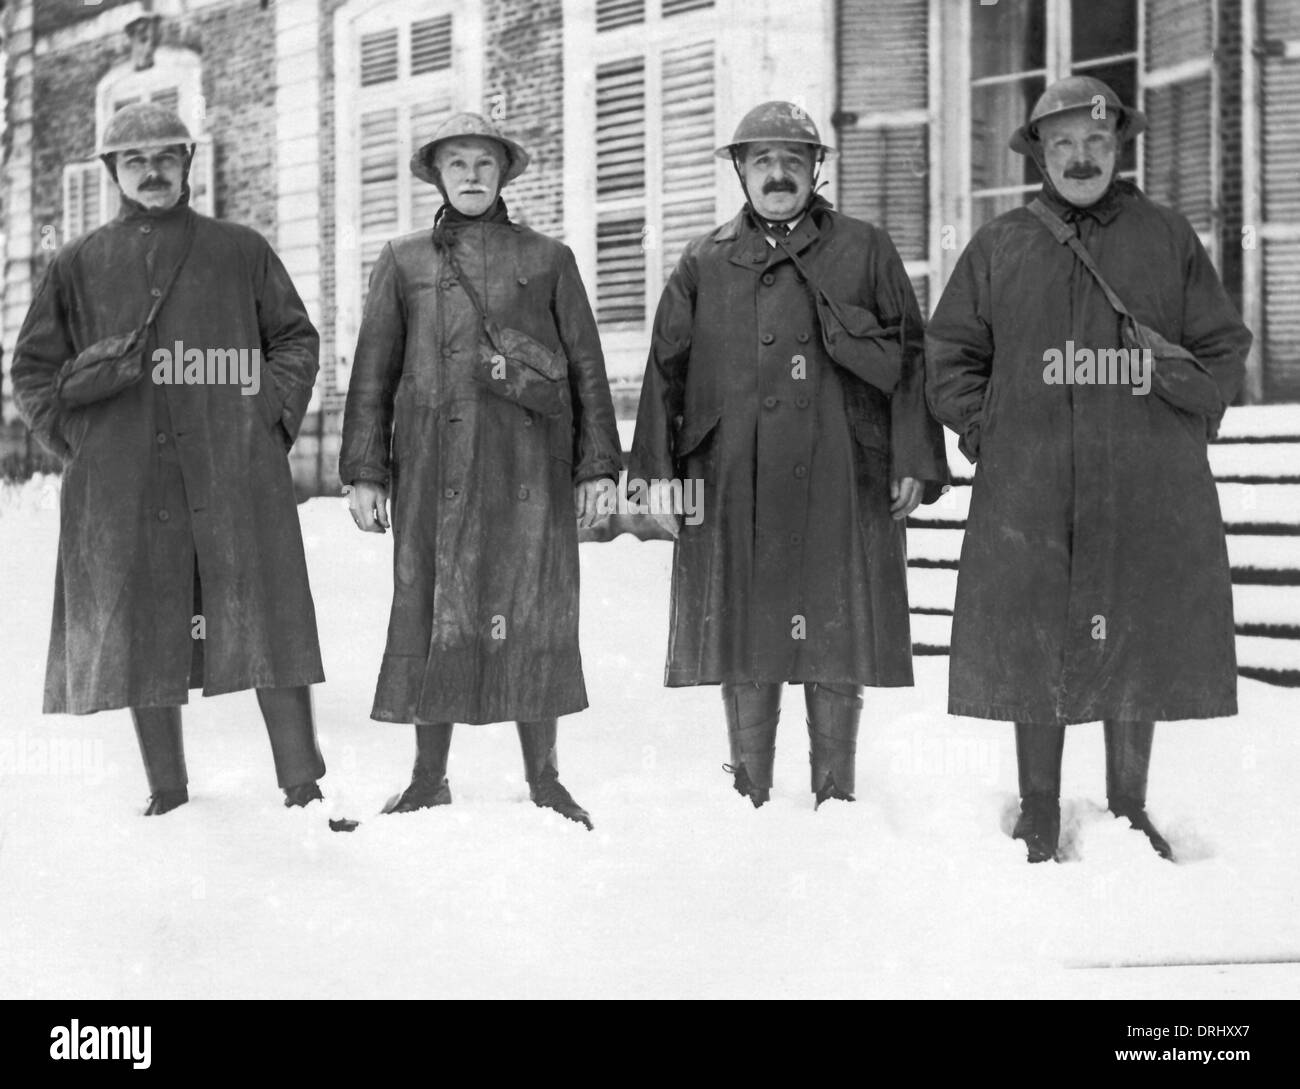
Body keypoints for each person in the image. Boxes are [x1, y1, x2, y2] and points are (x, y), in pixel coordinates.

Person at [925, 77, 1252, 863]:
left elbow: (1222, 347)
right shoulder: (1001, 244)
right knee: (1033, 635)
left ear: (1119, 148)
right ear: (1039, 153)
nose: (1081, 157)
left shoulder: (1167, 238)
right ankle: (1039, 806)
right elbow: (948, 356)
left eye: (1097, 142)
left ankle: (1129, 806)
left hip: (1142, 479)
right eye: (1064, 142)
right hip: (1030, 482)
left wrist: (1175, 422)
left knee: (1132, 630)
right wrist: (989, 427)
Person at [11, 103, 328, 815]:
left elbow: (295, 339)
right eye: (134, 159)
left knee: (264, 612)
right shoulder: (77, 263)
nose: (151, 169)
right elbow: (33, 370)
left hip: (230, 466)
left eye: (165, 155)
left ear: (189, 163)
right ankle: (167, 789)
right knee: (142, 620)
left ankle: (302, 784)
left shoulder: (239, 248)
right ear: (113, 173)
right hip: (125, 476)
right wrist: (76, 441)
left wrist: (266, 419)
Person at [630, 101, 948, 808]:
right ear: (740, 170)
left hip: (843, 468)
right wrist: (658, 478)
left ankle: (836, 796)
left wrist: (912, 459)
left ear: (817, 170)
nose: (779, 174)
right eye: (763, 161)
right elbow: (665, 370)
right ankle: (751, 790)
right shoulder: (704, 260)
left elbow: (912, 355)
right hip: (734, 473)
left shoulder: (865, 249)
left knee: (836, 629)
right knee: (748, 630)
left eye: (793, 161)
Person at [339, 112, 621, 829]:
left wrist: (596, 467)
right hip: (433, 467)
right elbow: (373, 372)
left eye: (484, 163)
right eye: (456, 163)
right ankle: (428, 777)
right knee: (431, 606)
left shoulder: (549, 258)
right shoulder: (403, 261)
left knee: (535, 607)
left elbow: (587, 367)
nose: (470, 175)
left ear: (503, 174)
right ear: (437, 174)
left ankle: (547, 780)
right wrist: (365, 471)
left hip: (530, 464)